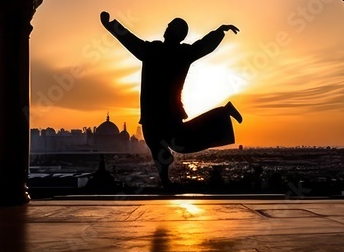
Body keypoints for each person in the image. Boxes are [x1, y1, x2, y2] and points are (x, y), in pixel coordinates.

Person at [100, 11, 244, 189]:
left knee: (165, 144)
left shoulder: (153, 50)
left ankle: (166, 178)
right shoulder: (181, 52)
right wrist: (219, 32)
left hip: (155, 113)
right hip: (164, 112)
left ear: (174, 33)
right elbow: (203, 46)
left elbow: (131, 41)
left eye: (170, 27)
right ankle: (223, 113)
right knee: (177, 141)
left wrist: (111, 26)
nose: (166, 29)